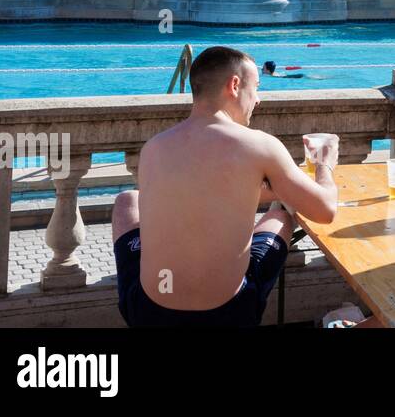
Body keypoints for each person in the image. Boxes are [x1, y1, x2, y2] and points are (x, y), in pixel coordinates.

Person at [110, 46, 339, 326]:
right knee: (280, 214)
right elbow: (326, 211)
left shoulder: (155, 147)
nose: (258, 100)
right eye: (256, 88)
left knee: (126, 200)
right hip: (229, 315)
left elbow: (206, 193)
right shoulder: (259, 145)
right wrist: (325, 165)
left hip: (149, 313)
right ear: (234, 85)